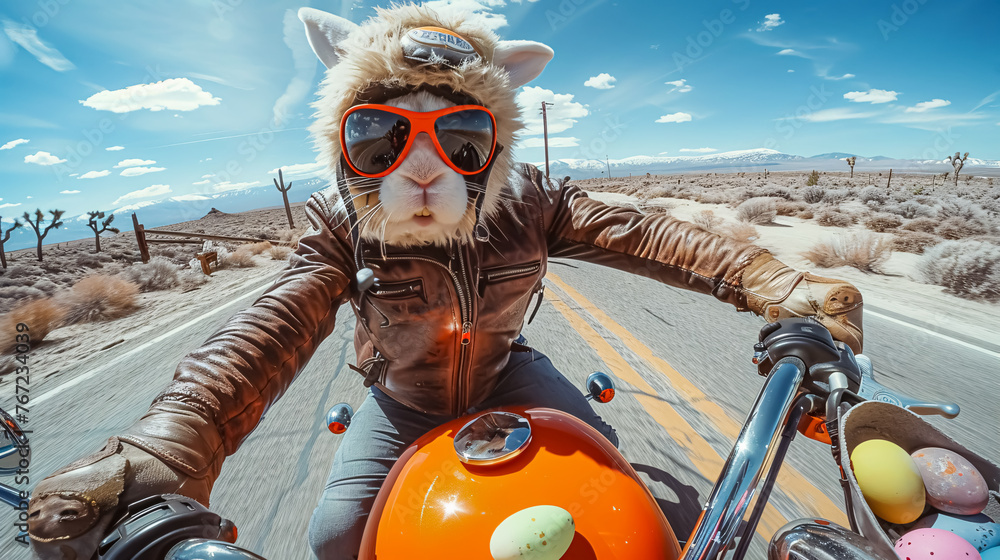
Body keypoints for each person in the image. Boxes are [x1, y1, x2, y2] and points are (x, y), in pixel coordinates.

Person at [27, 5, 863, 559]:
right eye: (380, 135)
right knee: (334, 538)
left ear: (496, 144)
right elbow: (275, 321)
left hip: (508, 372)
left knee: (624, 498)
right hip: (403, 398)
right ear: (343, 142)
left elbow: (644, 234)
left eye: (463, 138)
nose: (425, 167)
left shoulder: (531, 200)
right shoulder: (340, 222)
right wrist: (175, 439)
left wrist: (768, 277)